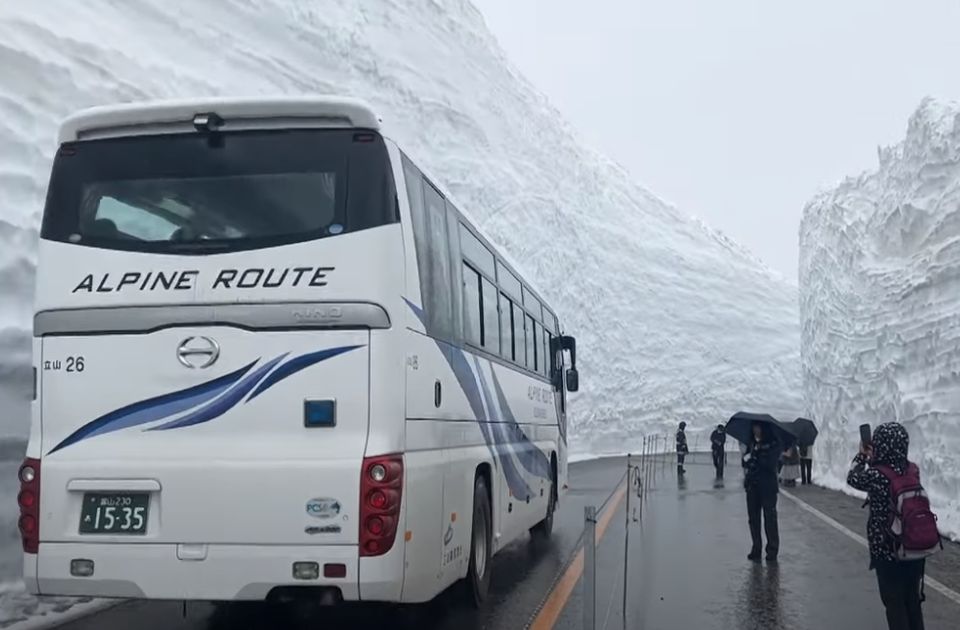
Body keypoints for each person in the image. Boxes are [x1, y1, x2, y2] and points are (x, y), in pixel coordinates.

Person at [848, 422, 927, 630]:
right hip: (914, 547)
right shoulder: (913, 470)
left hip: (887, 548)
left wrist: (862, 456)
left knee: (894, 602)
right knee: (912, 600)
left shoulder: (876, 475)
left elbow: (853, 477)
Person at [742, 422, 781, 562]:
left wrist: (758, 455)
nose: (755, 431)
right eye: (753, 428)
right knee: (753, 519)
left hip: (768, 486)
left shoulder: (773, 444)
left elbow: (771, 464)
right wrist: (747, 459)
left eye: (758, 428)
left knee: (769, 518)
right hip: (753, 486)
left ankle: (772, 549)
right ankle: (756, 547)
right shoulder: (751, 443)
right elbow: (746, 461)